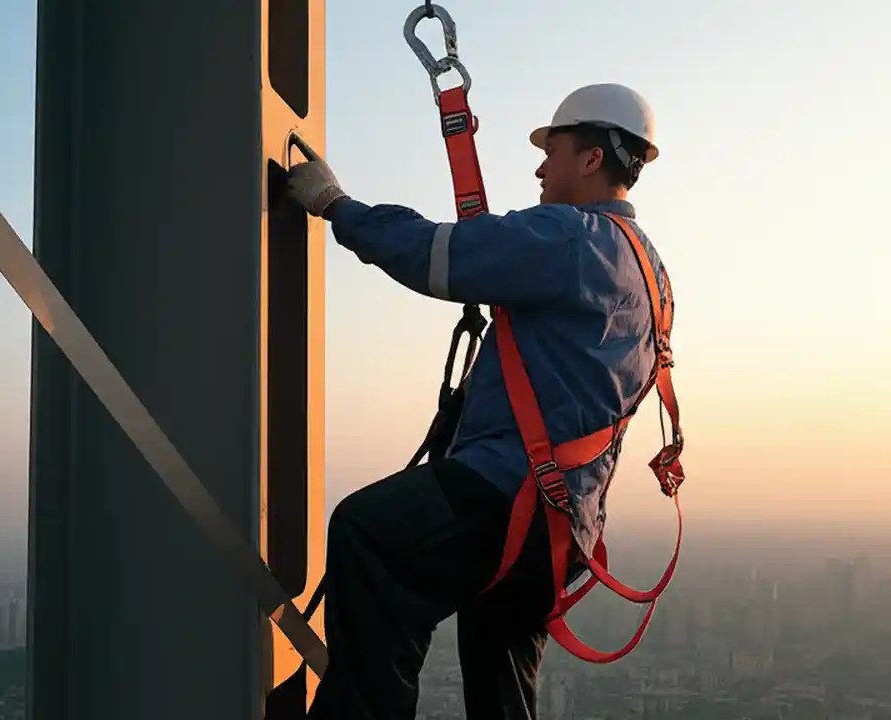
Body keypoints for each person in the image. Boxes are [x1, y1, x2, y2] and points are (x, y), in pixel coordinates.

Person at [286, 83, 674, 720]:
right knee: (502, 670)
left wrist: (337, 206)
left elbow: (437, 254)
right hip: (564, 531)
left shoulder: (569, 239)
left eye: (554, 151)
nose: (541, 167)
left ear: (593, 159)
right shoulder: (651, 270)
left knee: (370, 537)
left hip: (508, 500)